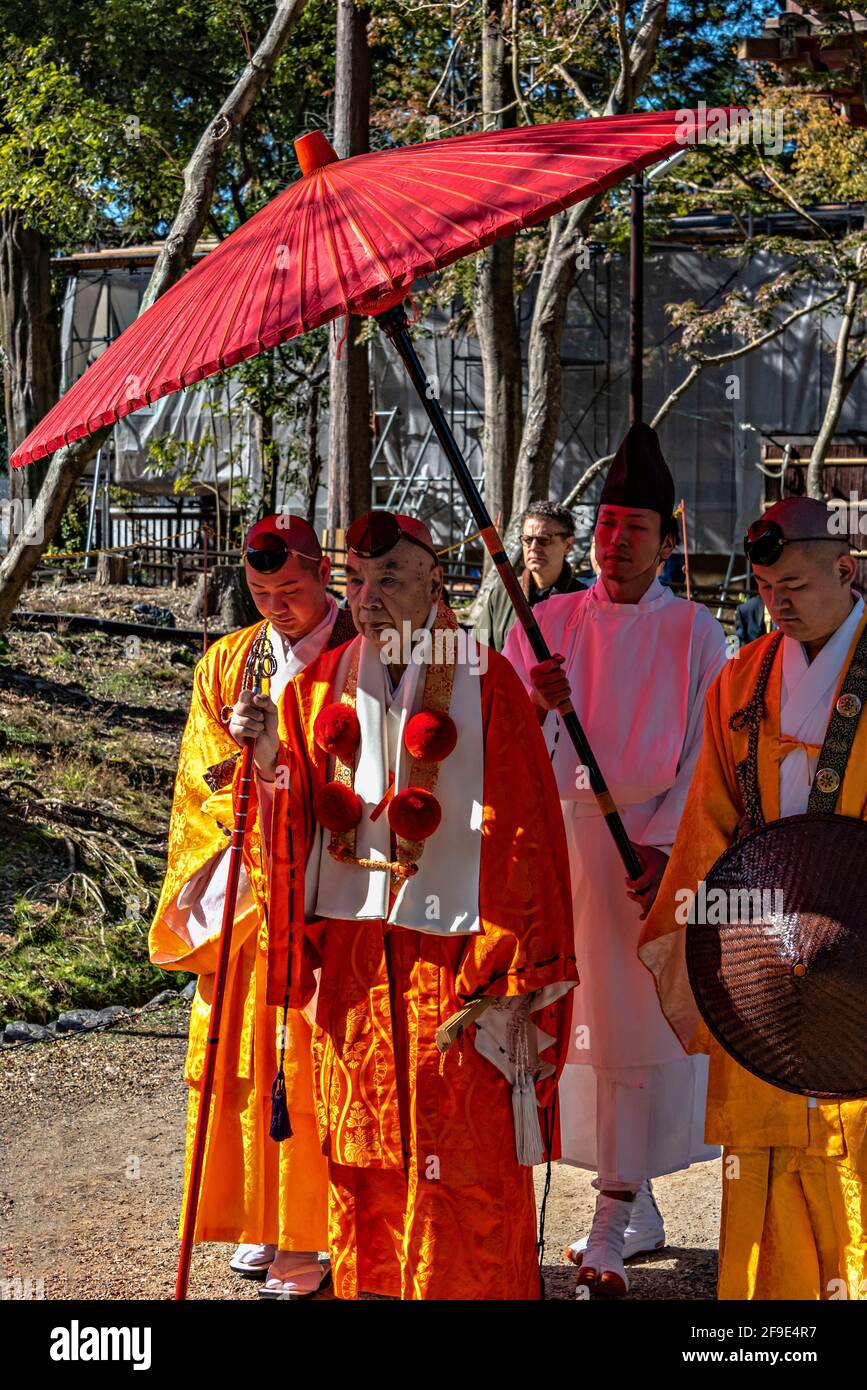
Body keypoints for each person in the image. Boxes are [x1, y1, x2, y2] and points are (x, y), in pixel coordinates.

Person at [245, 509, 578, 1300]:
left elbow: (521, 833)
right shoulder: (317, 685)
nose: (367, 596)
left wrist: (502, 977)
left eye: (389, 577)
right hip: (358, 968)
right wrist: (265, 762)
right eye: (356, 579)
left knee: (462, 1156)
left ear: (436, 578)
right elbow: (288, 823)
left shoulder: (485, 678)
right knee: (365, 1156)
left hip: (458, 965)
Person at [503, 423, 727, 1297]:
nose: (612, 542)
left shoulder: (696, 632)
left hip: (642, 853)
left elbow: (709, 752)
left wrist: (666, 845)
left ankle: (610, 1215)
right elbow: (509, 741)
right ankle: (616, 1204)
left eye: (633, 528)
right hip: (556, 850)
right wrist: (540, 699)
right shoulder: (547, 623)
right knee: (561, 1028)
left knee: (630, 1037)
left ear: (667, 541)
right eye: (602, 526)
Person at [640, 495, 867, 1301]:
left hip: (861, 948)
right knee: (764, 1142)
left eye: (795, 584)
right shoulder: (743, 676)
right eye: (766, 587)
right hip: (769, 955)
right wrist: (706, 932)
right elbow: (708, 821)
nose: (777, 600)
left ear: (845, 569)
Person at [149, 514, 354, 1299]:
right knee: (247, 1062)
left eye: (292, 590)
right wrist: (247, 767)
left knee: (311, 1065)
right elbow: (200, 784)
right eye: (262, 591)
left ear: (323, 575)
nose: (277, 606)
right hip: (247, 895)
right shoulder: (228, 662)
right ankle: (262, 1220)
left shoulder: (359, 658)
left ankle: (314, 1237)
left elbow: (362, 777)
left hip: (331, 891)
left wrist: (284, 766)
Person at [473, 500, 585, 650]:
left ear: (568, 545)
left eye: (544, 540)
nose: (533, 548)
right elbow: (481, 654)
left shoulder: (585, 602)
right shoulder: (503, 594)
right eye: (527, 539)